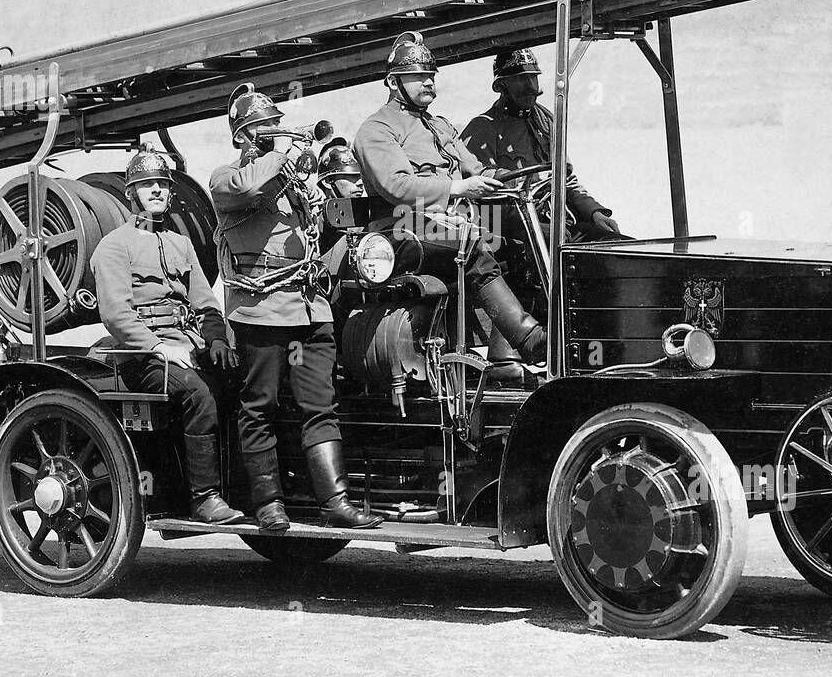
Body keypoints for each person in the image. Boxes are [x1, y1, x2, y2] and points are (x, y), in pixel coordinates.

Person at [209, 84, 383, 531]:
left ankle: (336, 502)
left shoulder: (295, 186)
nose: (276, 131)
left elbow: (336, 226)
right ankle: (268, 504)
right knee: (259, 406)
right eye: (266, 127)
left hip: (310, 309)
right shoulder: (227, 177)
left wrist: (337, 182)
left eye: (277, 125)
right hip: (261, 311)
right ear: (243, 136)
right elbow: (248, 186)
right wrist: (283, 154)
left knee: (319, 404)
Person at [353, 31, 547, 367]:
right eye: (419, 77)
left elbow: (476, 169)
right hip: (398, 227)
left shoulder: (440, 126)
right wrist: (456, 189)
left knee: (525, 239)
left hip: (444, 224)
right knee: (470, 242)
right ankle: (532, 341)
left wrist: (500, 179)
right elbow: (396, 187)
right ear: (393, 82)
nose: (428, 82)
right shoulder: (377, 129)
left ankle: (504, 359)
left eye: (431, 76)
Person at [90, 147, 244, 524]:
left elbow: (206, 304)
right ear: (131, 194)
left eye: (161, 184)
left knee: (249, 383)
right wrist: (160, 348)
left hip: (186, 344)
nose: (156, 190)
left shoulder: (180, 243)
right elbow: (116, 315)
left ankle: (242, 489)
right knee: (198, 393)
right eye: (146, 185)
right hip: (140, 354)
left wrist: (219, 341)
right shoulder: (114, 246)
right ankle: (204, 499)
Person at [461, 47, 621, 241]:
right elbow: (481, 198)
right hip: (516, 228)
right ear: (501, 86)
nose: (530, 86)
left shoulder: (546, 120)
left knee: (616, 246)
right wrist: (532, 227)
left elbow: (566, 180)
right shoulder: (482, 128)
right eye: (520, 79)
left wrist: (593, 211)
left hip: (560, 220)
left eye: (533, 77)